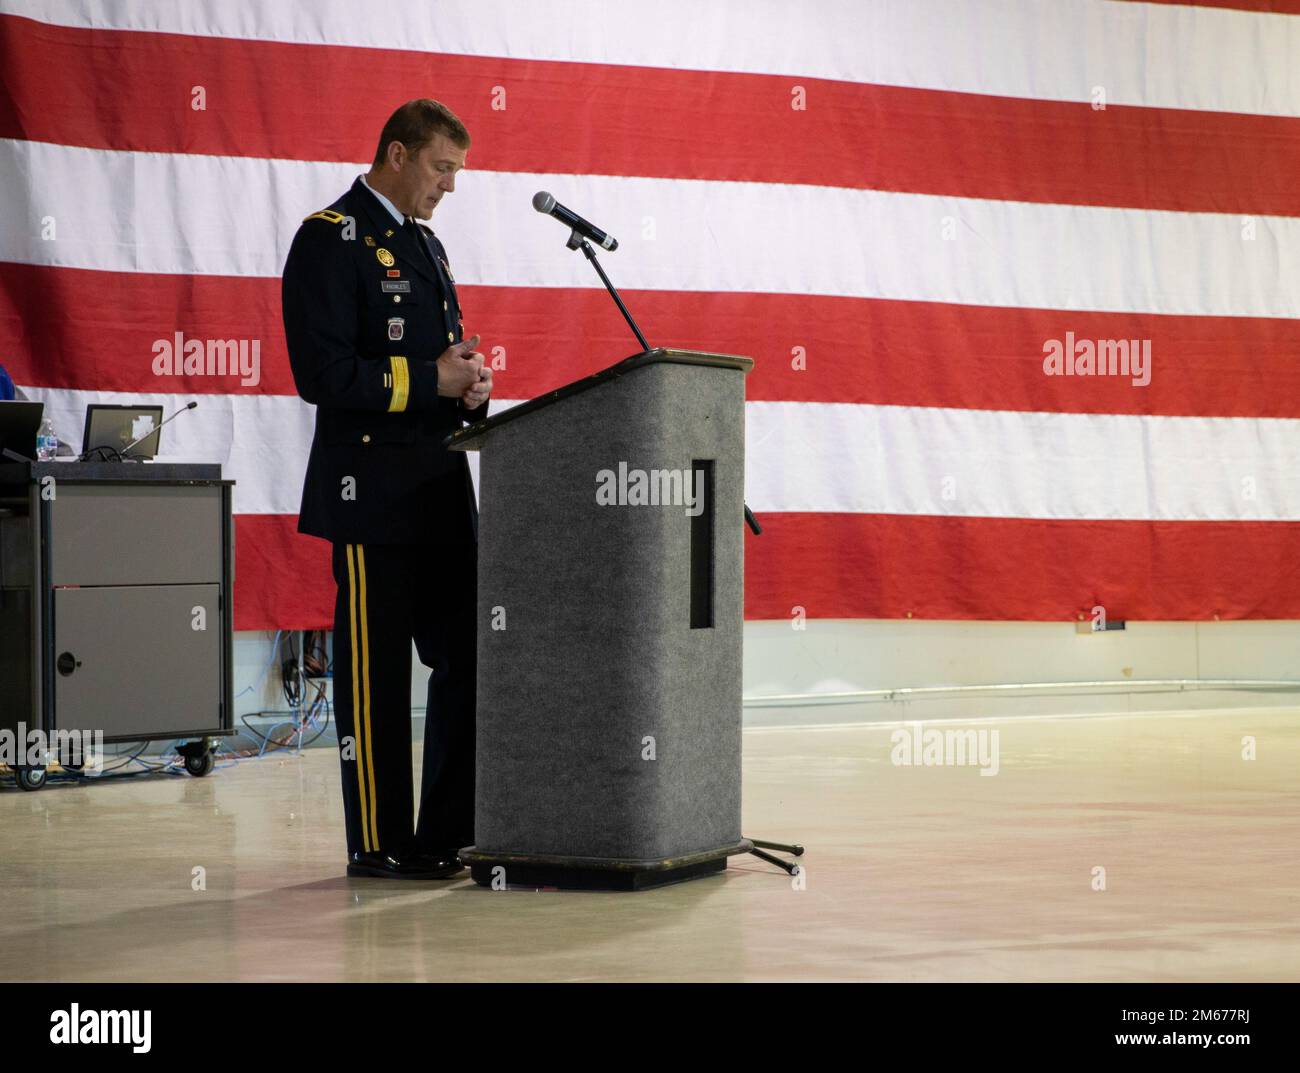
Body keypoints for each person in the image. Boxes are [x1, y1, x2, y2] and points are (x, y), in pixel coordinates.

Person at [282, 99, 492, 879]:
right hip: (370, 493)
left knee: (470, 656)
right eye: (442, 168)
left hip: (440, 486)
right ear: (398, 154)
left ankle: (446, 833)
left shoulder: (427, 246)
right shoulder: (328, 239)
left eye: (456, 172)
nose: (449, 186)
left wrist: (468, 384)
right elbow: (323, 375)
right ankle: (379, 842)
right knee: (375, 677)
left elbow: (437, 358)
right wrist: (428, 378)